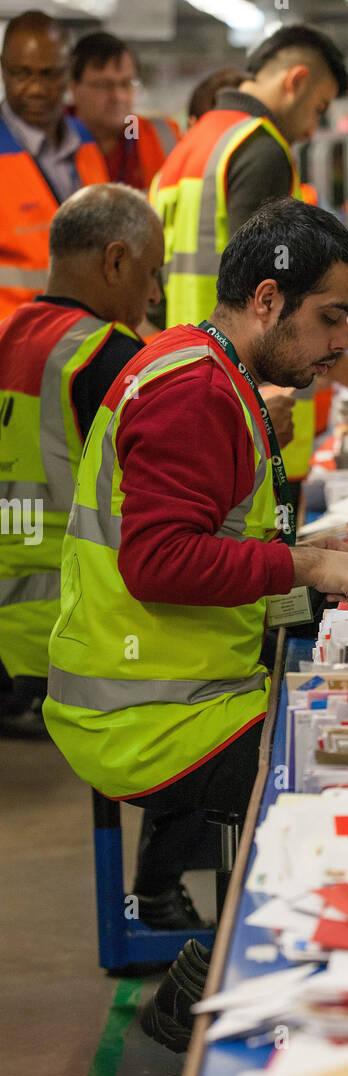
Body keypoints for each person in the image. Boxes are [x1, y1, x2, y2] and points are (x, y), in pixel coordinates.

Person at [43, 199, 348, 1049]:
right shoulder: (196, 392)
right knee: (326, 790)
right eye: (331, 318)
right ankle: (211, 997)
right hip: (146, 714)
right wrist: (307, 565)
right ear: (269, 301)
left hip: (180, 685)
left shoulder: (203, 367)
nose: (342, 344)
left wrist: (302, 548)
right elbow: (160, 561)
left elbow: (209, 536)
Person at [150, 23, 348, 495]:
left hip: (187, 381)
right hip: (245, 391)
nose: (314, 128)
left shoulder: (191, 147)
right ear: (295, 80)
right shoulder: (260, 147)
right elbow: (278, 300)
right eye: (317, 108)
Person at [0, 184, 163, 739]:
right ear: (116, 261)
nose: (154, 293)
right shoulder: (110, 356)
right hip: (68, 637)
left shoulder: (9, 335)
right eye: (151, 273)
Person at [0, 10, 107, 321]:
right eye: (22, 74)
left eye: (49, 74)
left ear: (68, 72)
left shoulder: (85, 139)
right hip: (12, 344)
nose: (35, 89)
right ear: (4, 70)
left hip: (81, 336)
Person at [68, 31, 180, 193]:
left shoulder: (164, 136)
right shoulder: (50, 141)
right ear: (73, 87)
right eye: (103, 85)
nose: (118, 96)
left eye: (126, 84)